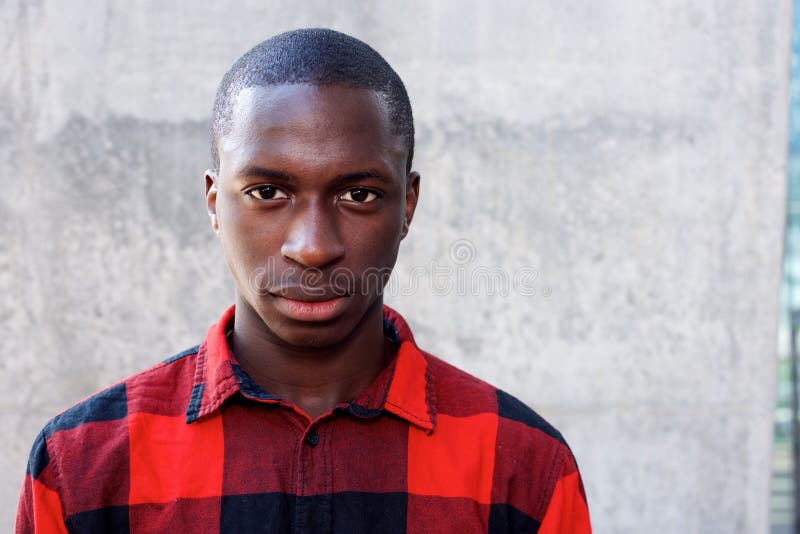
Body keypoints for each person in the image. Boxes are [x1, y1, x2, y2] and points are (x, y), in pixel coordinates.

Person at [15, 28, 591, 533]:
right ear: (214, 202)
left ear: (407, 205)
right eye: (268, 192)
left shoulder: (524, 469)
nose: (313, 247)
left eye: (358, 194)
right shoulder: (82, 467)